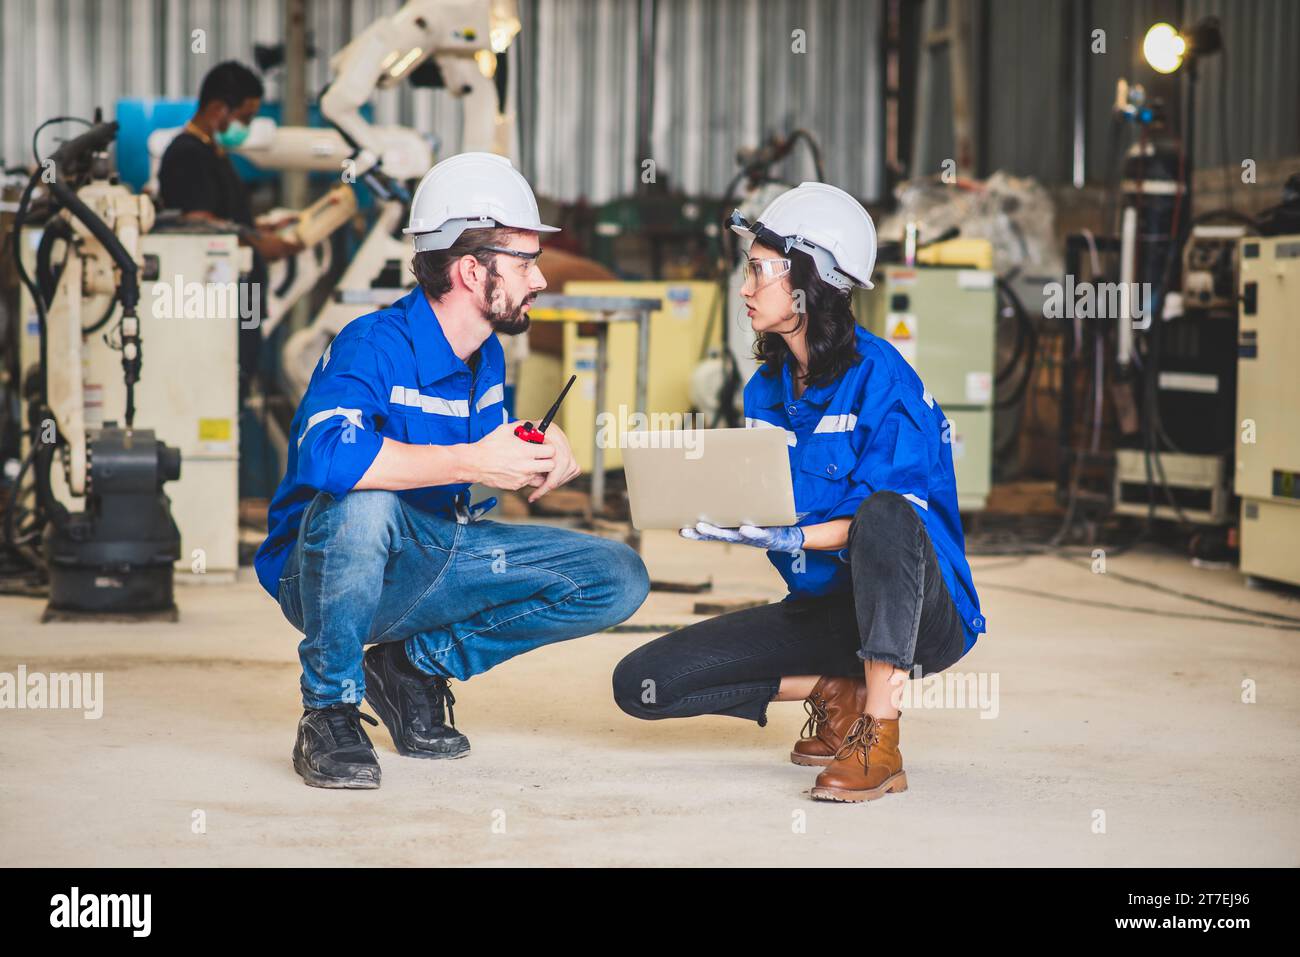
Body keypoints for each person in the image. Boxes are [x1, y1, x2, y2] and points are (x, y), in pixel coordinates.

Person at [255, 152, 650, 789]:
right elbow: (327, 456)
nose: (541, 279)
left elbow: (478, 440)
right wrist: (475, 461)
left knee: (617, 575)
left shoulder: (485, 355)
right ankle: (328, 709)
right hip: (326, 571)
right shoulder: (372, 343)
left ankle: (411, 667)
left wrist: (538, 443)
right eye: (525, 261)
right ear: (471, 269)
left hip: (433, 555)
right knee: (364, 500)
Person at [612, 182, 986, 803]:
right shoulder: (766, 389)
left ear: (812, 281)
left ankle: (880, 737)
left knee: (885, 513)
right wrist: (720, 509)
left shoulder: (882, 376)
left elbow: (891, 527)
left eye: (759, 271)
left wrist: (793, 535)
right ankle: (835, 690)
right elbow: (765, 490)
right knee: (644, 682)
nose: (745, 288)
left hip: (920, 617)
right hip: (829, 612)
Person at [157, 60, 302, 400]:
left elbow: (225, 217)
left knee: (244, 367)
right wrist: (260, 243)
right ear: (218, 109)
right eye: (246, 118)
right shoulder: (187, 154)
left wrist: (263, 227)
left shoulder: (213, 153)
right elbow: (197, 222)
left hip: (245, 294)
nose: (246, 127)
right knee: (227, 381)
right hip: (220, 299)